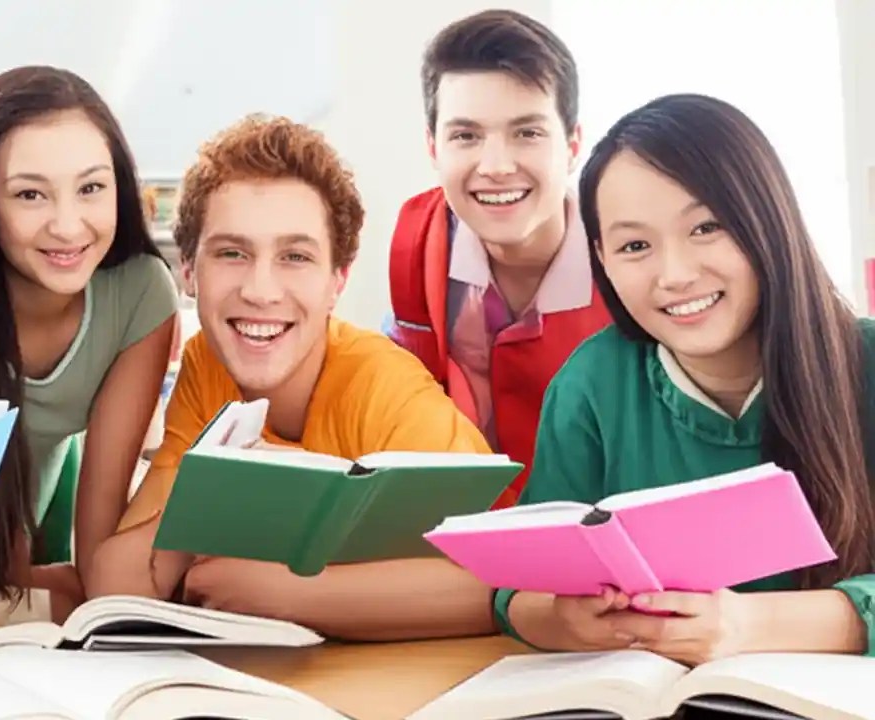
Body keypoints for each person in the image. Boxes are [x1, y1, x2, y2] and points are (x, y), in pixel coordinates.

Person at [87, 114, 499, 641]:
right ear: (188, 272)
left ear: (337, 281)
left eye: (295, 257)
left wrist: (286, 594)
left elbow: (501, 579)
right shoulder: (207, 366)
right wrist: (219, 496)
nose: (261, 290)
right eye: (232, 254)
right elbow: (114, 587)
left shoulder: (383, 388)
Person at [497, 93, 875, 664]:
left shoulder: (863, 364)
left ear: (768, 218)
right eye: (635, 246)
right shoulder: (590, 385)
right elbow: (518, 585)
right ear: (601, 258)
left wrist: (749, 625)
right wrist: (563, 618)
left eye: (706, 227)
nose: (674, 275)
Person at [0, 65, 178, 613]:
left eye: (91, 188)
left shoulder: (140, 292)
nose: (68, 226)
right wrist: (39, 577)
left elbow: (97, 543)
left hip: (32, 525)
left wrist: (91, 590)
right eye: (30, 195)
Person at [386, 9, 610, 506]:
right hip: (465, 527)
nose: (496, 166)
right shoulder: (415, 250)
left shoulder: (625, 258)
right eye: (466, 136)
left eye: (527, 133)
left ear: (573, 144)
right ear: (432, 147)